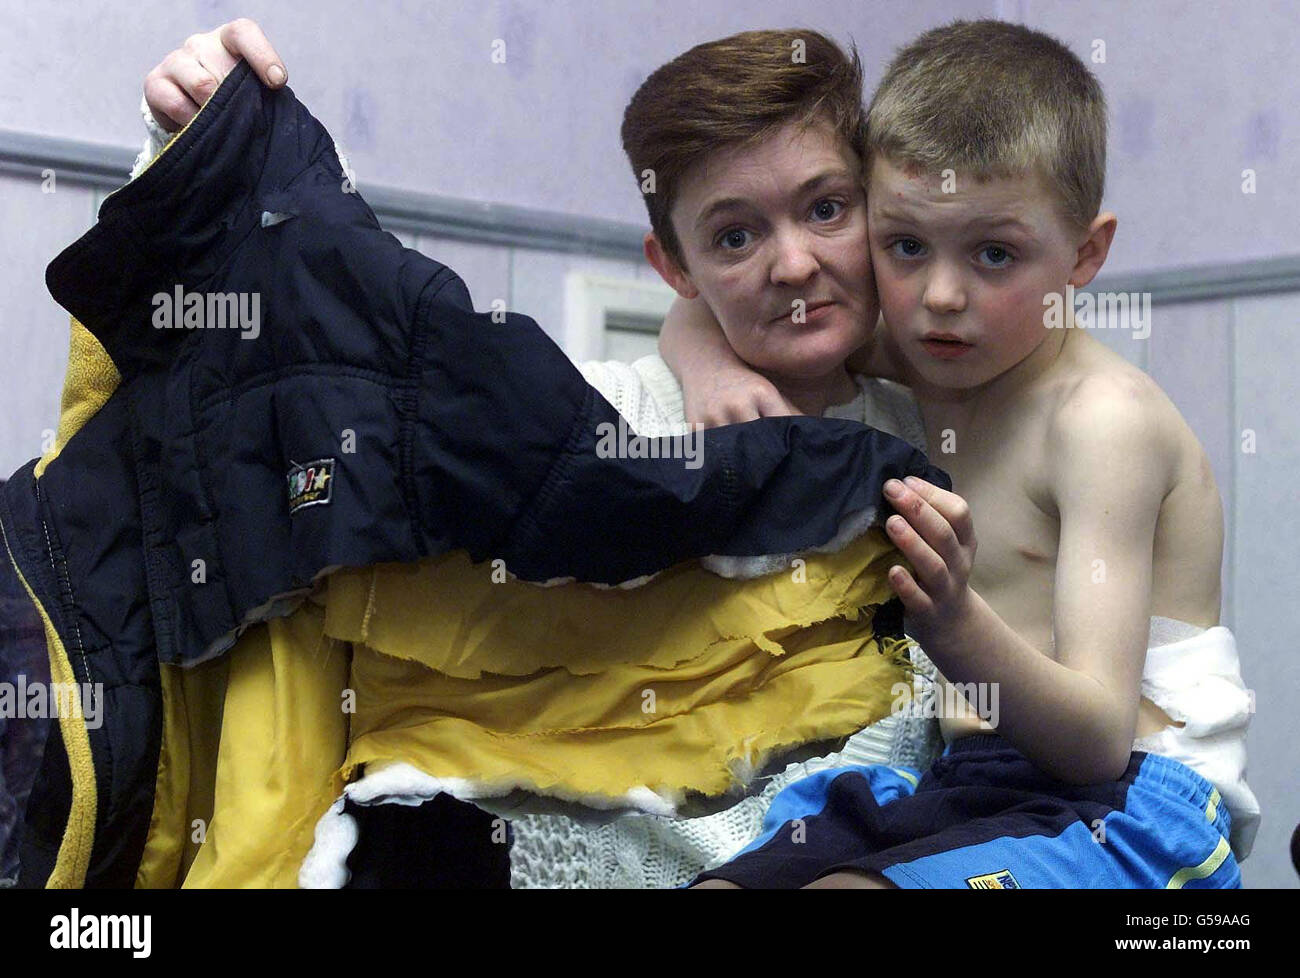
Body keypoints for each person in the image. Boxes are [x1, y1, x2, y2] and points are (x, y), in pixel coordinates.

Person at [119, 22, 938, 888]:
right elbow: (360, 368)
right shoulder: (613, 414)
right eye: (735, 237)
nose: (795, 263)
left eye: (826, 209)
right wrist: (192, 145)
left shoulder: (942, 415)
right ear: (676, 268)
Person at [664, 19, 1259, 888]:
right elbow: (702, 305)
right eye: (906, 247)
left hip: (1136, 803)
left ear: (1086, 252)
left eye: (994, 254)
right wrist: (706, 370)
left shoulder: (1102, 423)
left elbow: (1096, 739)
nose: (940, 297)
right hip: (973, 783)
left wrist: (951, 624)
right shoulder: (920, 355)